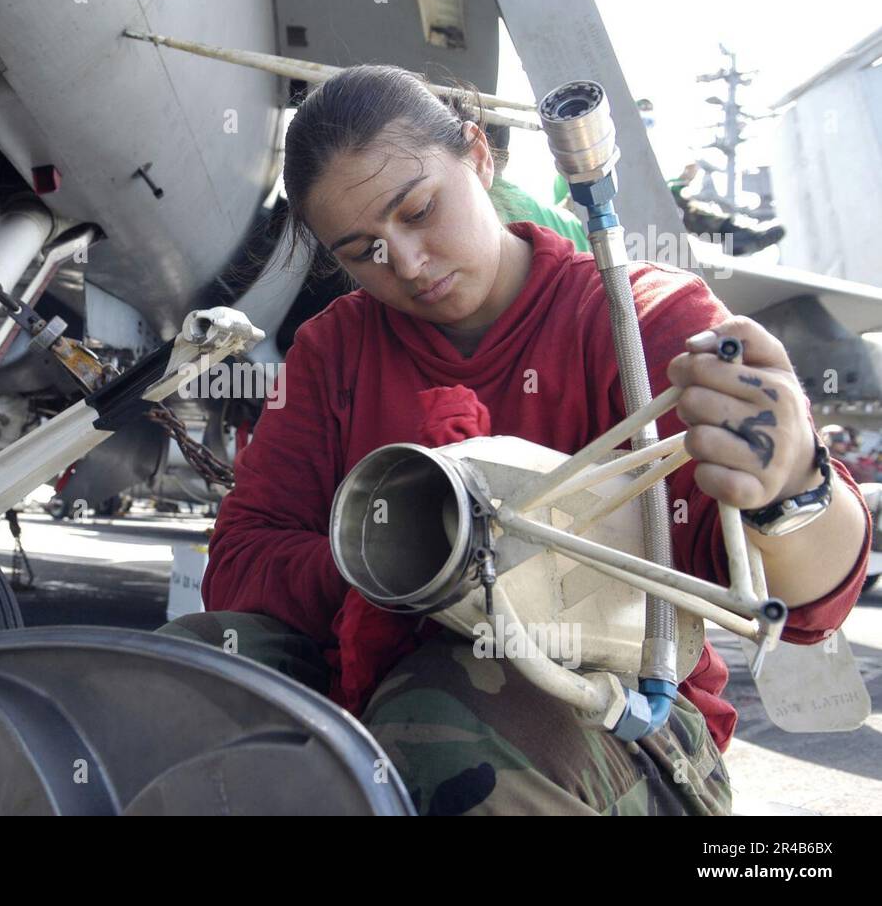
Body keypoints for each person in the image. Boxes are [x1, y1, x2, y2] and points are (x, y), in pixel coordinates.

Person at [159, 65, 870, 815]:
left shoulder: (640, 322)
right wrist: (406, 565)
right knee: (188, 680)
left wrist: (795, 485)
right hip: (376, 681)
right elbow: (238, 564)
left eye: (420, 210)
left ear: (478, 155)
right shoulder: (335, 349)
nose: (405, 262)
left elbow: (812, 610)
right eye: (361, 251)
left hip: (625, 723)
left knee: (443, 728)